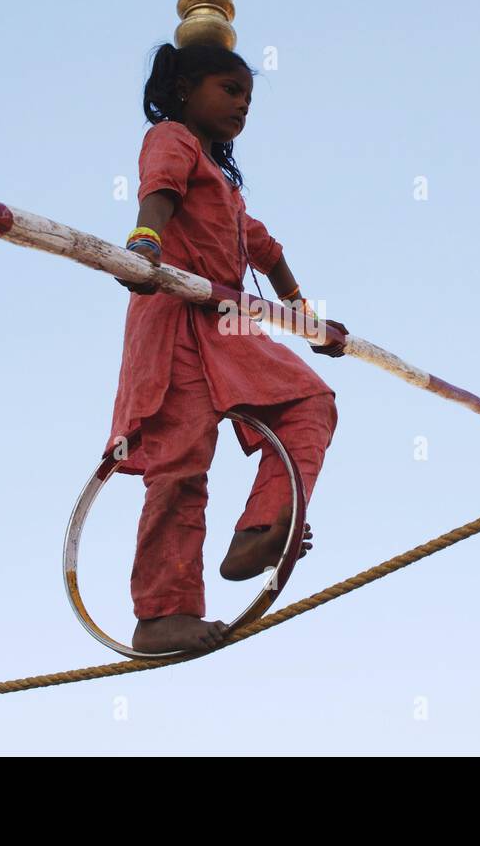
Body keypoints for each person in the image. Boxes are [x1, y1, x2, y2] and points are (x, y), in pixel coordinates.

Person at [103, 42, 348, 654]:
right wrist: (143, 247)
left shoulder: (228, 190)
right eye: (230, 89)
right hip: (174, 314)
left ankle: (263, 525)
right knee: (181, 464)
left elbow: (265, 248)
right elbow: (156, 194)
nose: (242, 105)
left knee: (310, 403)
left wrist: (308, 319)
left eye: (248, 97)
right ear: (186, 88)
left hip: (227, 321)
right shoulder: (172, 138)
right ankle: (163, 613)